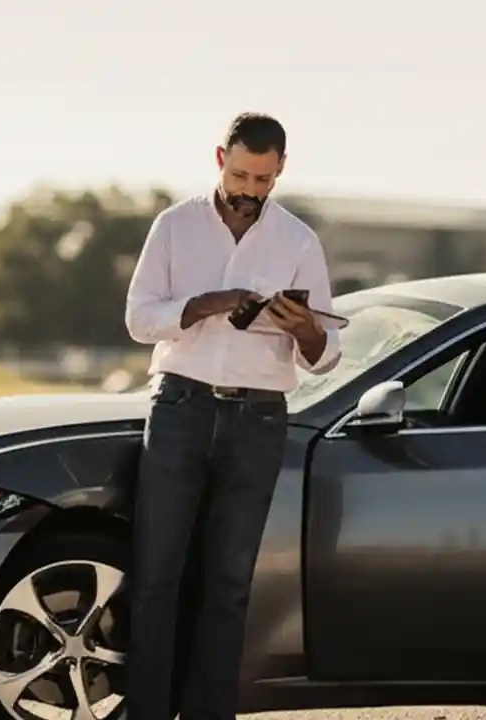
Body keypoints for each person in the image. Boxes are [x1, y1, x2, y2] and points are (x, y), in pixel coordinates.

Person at [123, 112, 342, 720]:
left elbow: (327, 357)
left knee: (228, 586)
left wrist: (307, 331)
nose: (250, 188)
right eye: (242, 173)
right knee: (156, 575)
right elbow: (139, 319)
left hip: (259, 420)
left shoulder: (298, 241)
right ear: (220, 158)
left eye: (263, 179)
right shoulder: (174, 226)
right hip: (180, 408)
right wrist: (207, 304)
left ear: (280, 172)